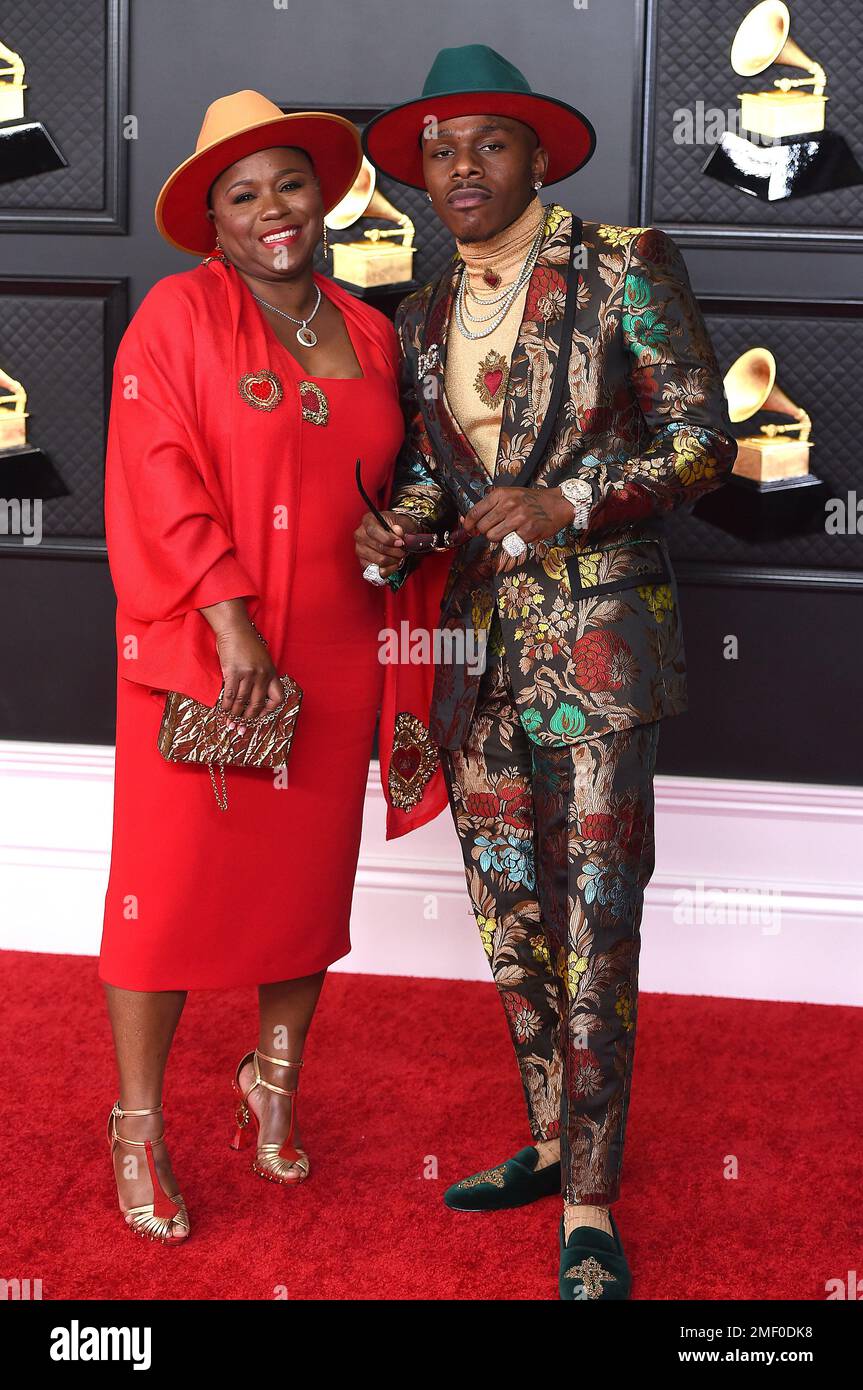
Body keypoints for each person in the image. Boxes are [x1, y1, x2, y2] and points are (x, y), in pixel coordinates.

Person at [355, 44, 738, 1299]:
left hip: (598, 645)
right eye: (437, 151)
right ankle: (539, 1137)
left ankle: (587, 1202)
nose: (459, 168)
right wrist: (396, 527)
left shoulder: (623, 262)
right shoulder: (418, 310)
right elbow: (435, 474)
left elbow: (698, 441)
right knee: (509, 913)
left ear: (536, 156)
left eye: (487, 144)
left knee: (594, 921)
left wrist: (570, 500)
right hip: (474, 656)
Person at [99, 90, 406, 1241]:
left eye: (288, 182)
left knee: (302, 891)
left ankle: (270, 1081)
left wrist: (394, 537)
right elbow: (159, 470)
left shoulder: (369, 329)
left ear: (319, 193)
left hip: (335, 644)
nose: (272, 208)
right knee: (163, 900)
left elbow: (386, 482)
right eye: (243, 193)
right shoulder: (174, 319)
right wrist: (231, 622)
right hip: (211, 645)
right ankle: (137, 1125)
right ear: (212, 219)